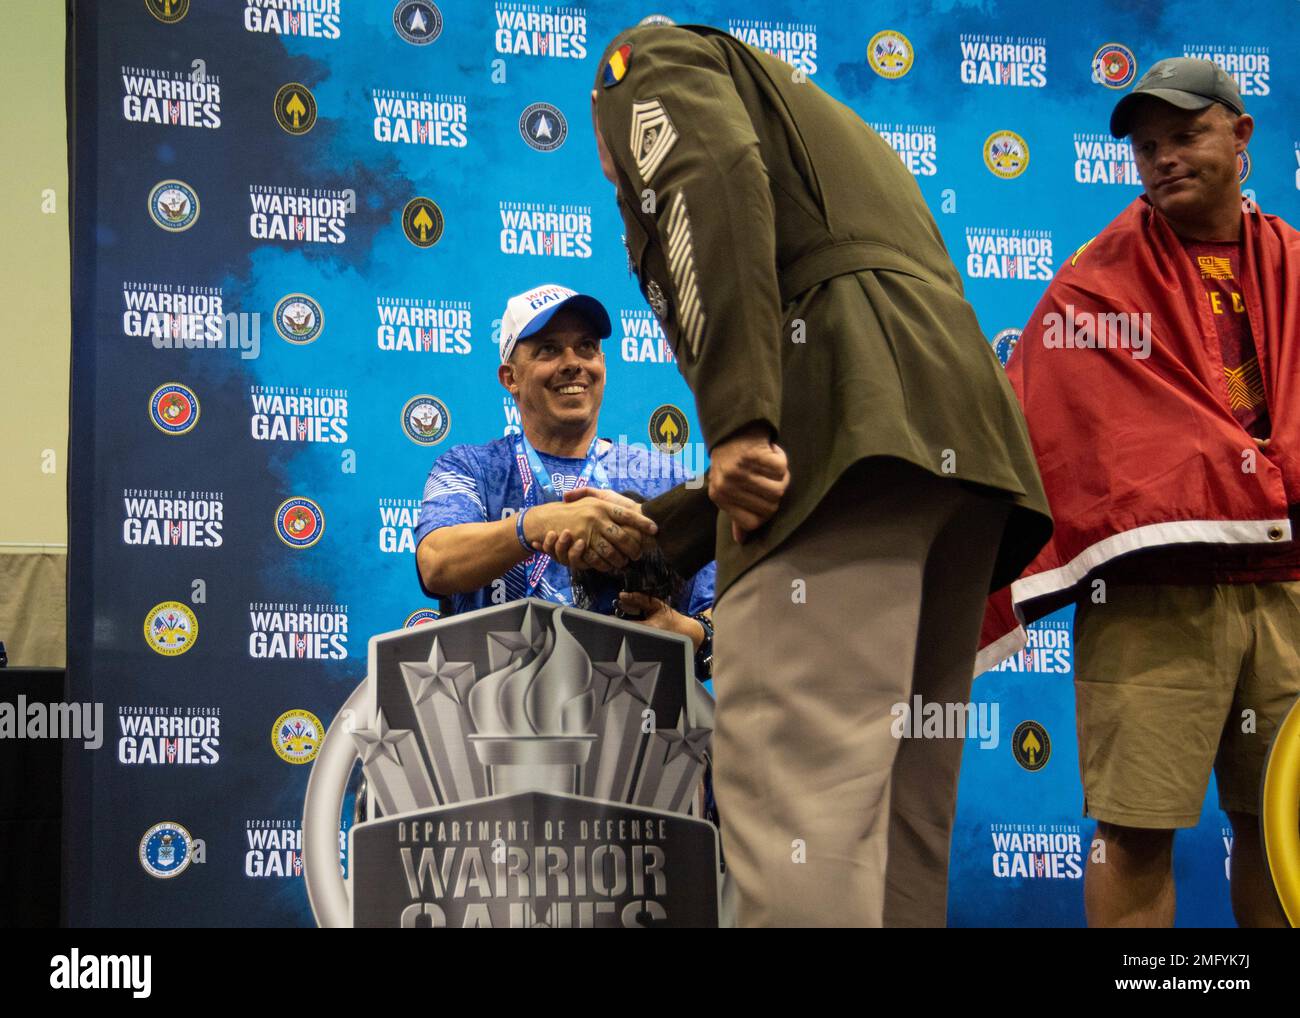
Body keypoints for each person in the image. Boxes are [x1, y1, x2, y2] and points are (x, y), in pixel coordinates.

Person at [561, 23, 1052, 927]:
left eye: (605, 162)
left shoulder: (645, 67)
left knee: (800, 812)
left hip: (846, 437)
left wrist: (739, 415)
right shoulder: (829, 122)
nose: (609, 175)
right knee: (897, 824)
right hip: (956, 460)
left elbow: (707, 180)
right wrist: (661, 535)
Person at [980, 57, 1298, 927]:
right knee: (1135, 837)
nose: (1163, 158)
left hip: (1287, 593)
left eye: (1186, 135)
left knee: (1282, 828)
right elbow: (1036, 434)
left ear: (1241, 135)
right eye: (1146, 145)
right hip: (1151, 599)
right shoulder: (1094, 285)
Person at [414, 283, 715, 673]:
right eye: (549, 349)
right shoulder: (471, 467)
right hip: (489, 717)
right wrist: (536, 525)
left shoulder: (667, 478)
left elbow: (731, 618)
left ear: (603, 364)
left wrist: (685, 631)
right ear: (510, 377)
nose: (573, 362)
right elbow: (436, 562)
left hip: (632, 718)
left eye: (586, 347)